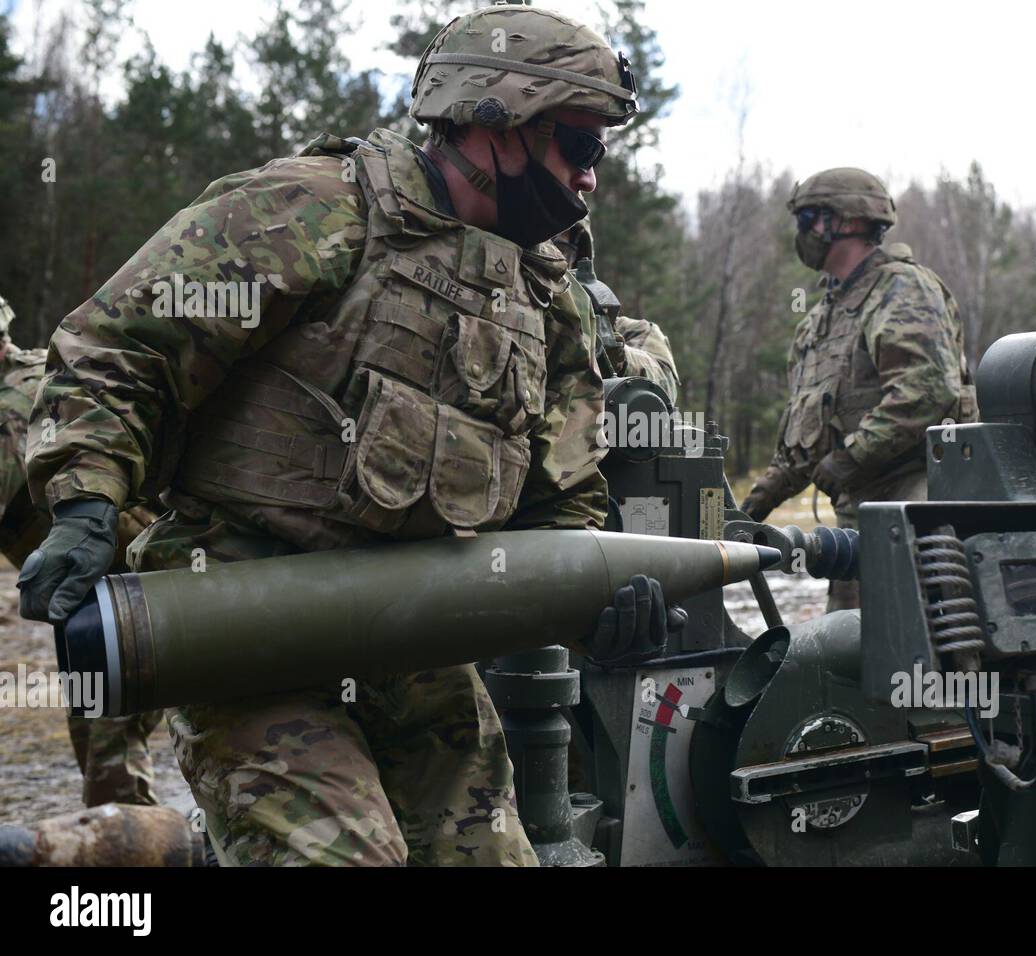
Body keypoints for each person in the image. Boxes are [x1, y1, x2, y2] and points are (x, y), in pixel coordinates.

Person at [18, 4, 669, 866]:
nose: (590, 179)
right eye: (578, 146)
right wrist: (84, 500)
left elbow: (562, 505)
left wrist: (601, 609)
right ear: (492, 121)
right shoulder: (310, 211)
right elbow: (119, 348)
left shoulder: (547, 296)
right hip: (247, 630)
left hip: (416, 646)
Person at [742, 168, 977, 611]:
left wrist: (849, 458)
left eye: (809, 218)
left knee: (920, 648)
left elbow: (926, 392)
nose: (802, 233)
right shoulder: (821, 321)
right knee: (850, 657)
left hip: (916, 510)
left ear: (846, 221)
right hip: (857, 523)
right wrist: (749, 510)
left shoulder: (903, 289)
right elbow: (805, 445)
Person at [0, 294, 164, 808]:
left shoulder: (13, 400)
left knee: (108, 738)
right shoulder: (37, 375)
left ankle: (132, 853)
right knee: (93, 719)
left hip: (131, 585)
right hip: (94, 597)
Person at [556, 218, 680, 403]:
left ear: (580, 259)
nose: (549, 256)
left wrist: (614, 354)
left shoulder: (632, 331)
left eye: (560, 249)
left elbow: (664, 382)